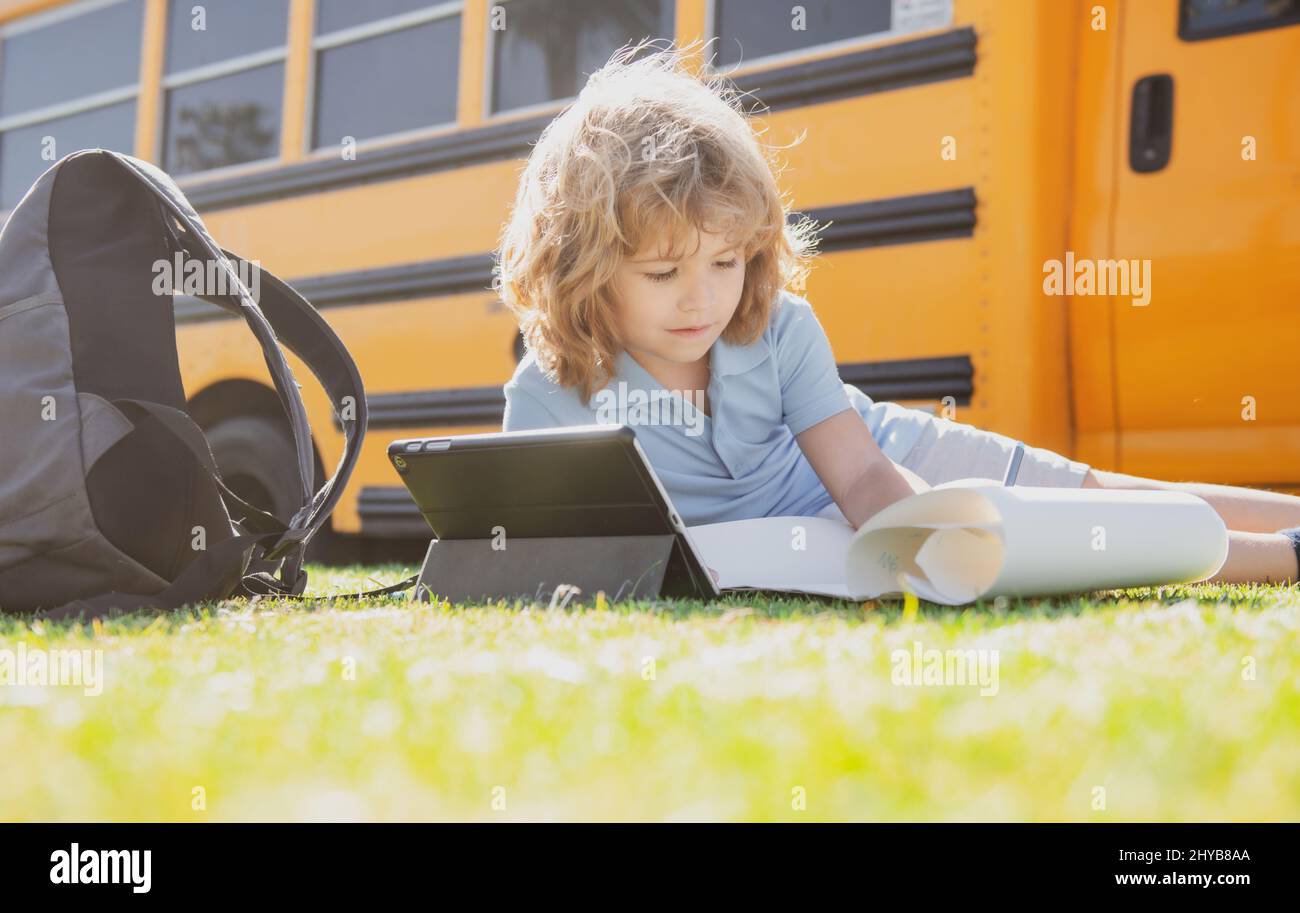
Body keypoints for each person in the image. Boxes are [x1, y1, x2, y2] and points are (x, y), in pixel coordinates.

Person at [495, 42, 1300, 587]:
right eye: (664, 271)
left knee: (1101, 497)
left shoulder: (778, 328)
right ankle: (1288, 557)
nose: (702, 298)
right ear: (582, 268)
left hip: (887, 459)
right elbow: (534, 549)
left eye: (727, 262)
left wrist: (914, 541)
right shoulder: (548, 392)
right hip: (818, 518)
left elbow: (858, 472)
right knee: (1066, 528)